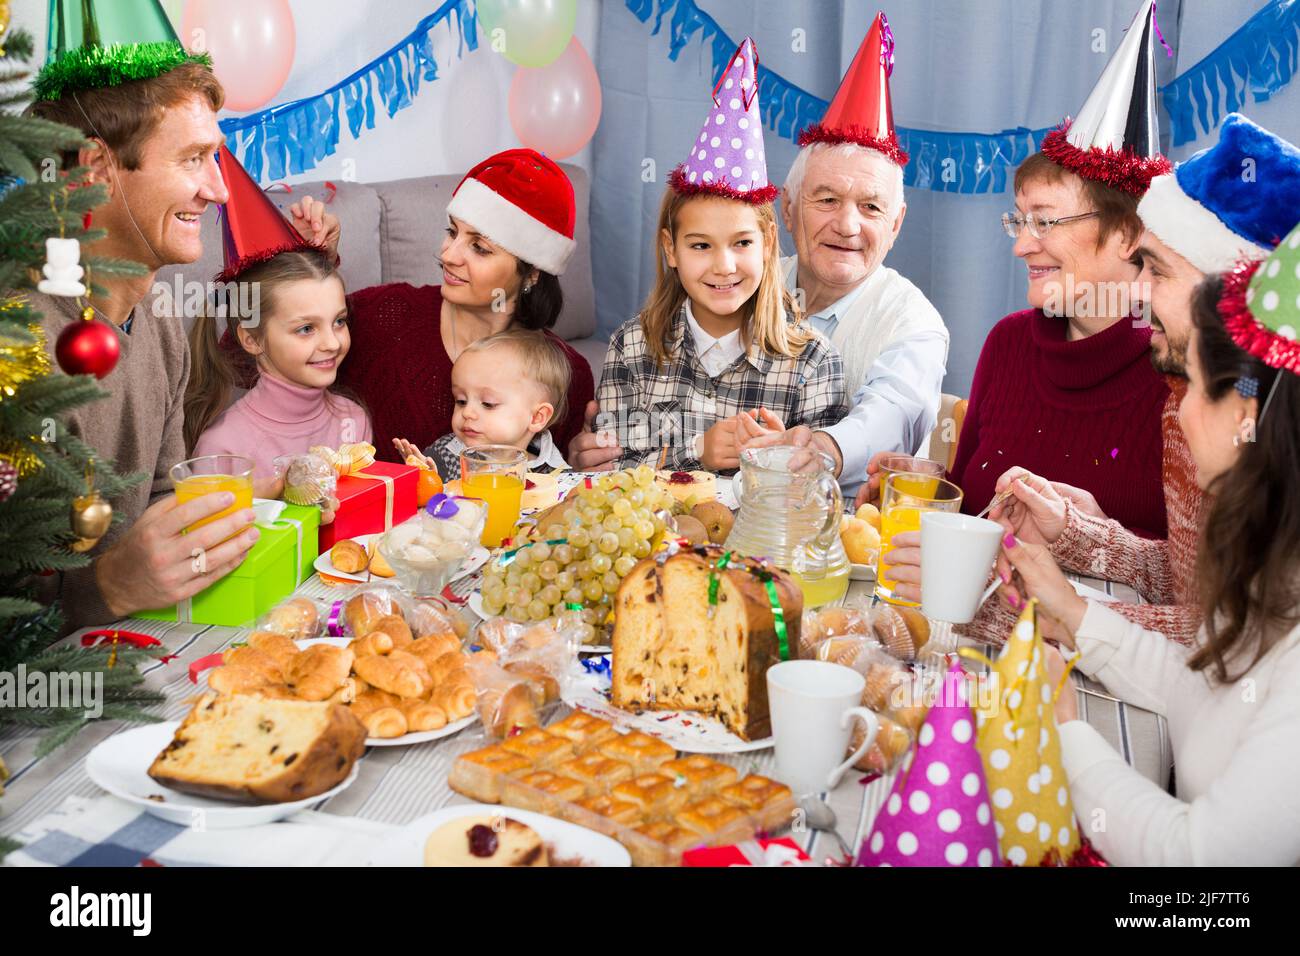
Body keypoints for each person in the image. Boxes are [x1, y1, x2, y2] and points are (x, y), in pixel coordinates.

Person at [908, 114, 1300, 645]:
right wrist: (1077, 533)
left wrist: (995, 609)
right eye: (1019, 221)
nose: (1021, 245)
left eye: (1045, 222)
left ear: (1126, 234)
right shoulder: (1013, 344)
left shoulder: (1194, 388)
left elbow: (1227, 628)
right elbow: (1202, 582)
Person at [998, 241, 1300, 865]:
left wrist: (1062, 731)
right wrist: (1073, 613)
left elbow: (1197, 864)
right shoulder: (1271, 562)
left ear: (1244, 412)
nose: (1180, 408)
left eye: (1194, 382)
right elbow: (1199, 683)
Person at [26, 36, 327, 630]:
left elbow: (161, 497)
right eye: (192, 159)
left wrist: (239, 509)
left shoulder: (163, 318)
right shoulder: (19, 349)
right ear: (96, 172)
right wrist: (105, 586)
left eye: (213, 159)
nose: (217, 190)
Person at [594, 39, 846, 473]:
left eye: (742, 243)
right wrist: (695, 451)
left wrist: (786, 459)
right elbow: (603, 472)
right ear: (671, 249)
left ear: (768, 243)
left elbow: (823, 493)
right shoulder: (632, 348)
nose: (724, 266)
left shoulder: (812, 364)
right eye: (700, 245)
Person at [337, 148, 594, 462]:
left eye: (479, 247)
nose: (448, 255)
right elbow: (281, 347)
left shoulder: (568, 373)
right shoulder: (384, 314)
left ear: (532, 273)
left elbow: (551, 487)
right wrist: (312, 263)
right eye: (452, 232)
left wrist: (580, 468)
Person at [187, 146, 369, 479]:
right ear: (251, 338)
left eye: (339, 321)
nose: (331, 343)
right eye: (306, 329)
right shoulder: (223, 447)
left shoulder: (353, 423)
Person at [393, 328, 570, 480]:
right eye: (461, 401)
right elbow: (425, 507)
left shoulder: (554, 473)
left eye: (488, 404)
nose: (467, 412)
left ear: (537, 417)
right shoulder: (445, 455)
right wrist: (423, 477)